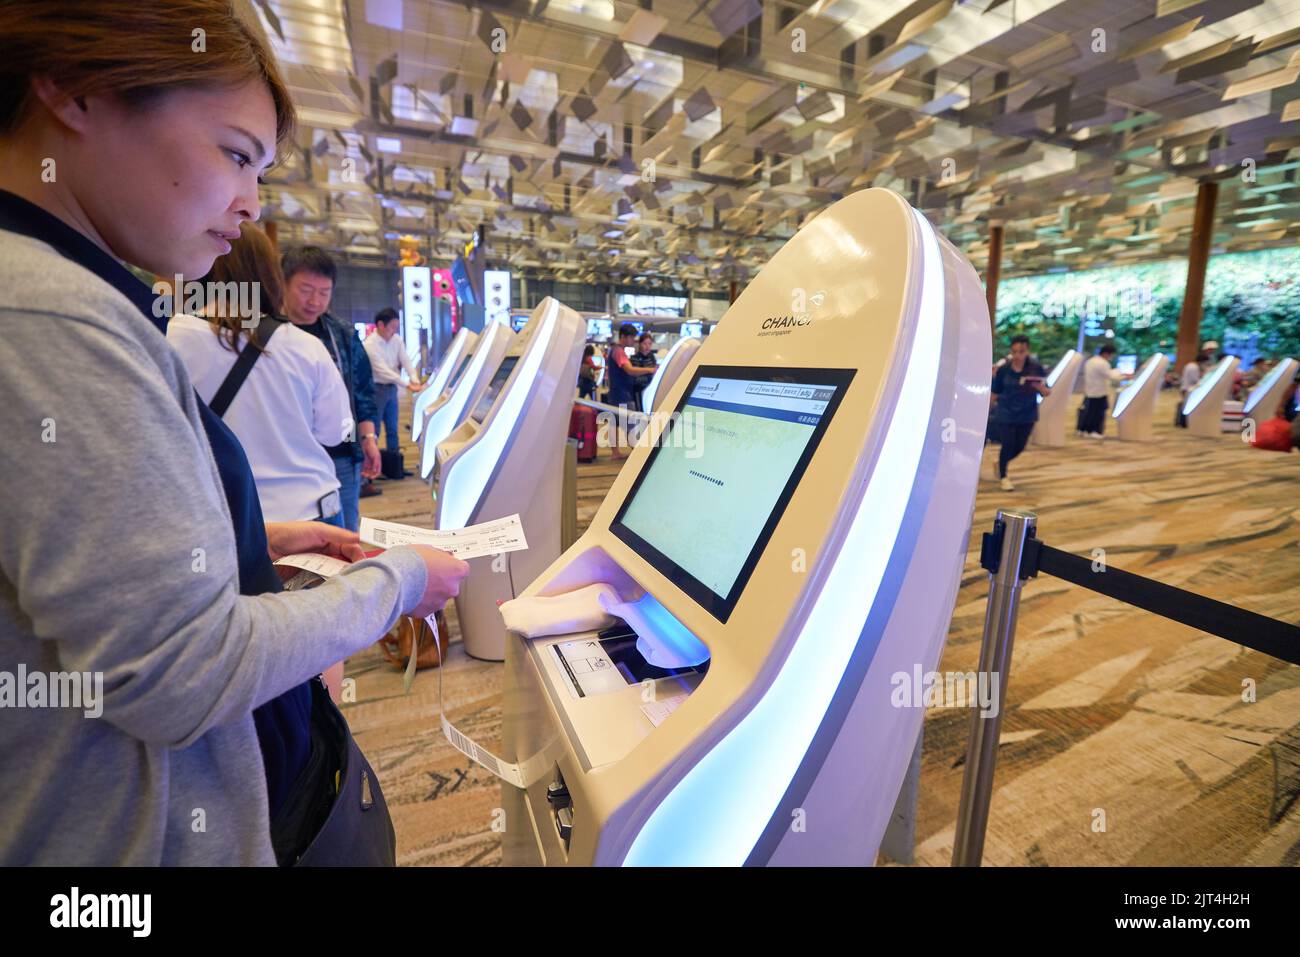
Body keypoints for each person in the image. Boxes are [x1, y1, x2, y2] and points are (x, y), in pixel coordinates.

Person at [0, 0, 469, 865]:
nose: (251, 204)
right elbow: (181, 672)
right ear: (74, 91)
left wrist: (254, 538)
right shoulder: (55, 315)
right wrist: (399, 584)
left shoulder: (78, 299)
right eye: (235, 153)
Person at [168, 222, 352, 526]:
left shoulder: (170, 339)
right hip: (311, 513)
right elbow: (334, 432)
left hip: (221, 518)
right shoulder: (306, 347)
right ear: (272, 275)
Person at [281, 245, 382, 525]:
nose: (315, 300)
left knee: (345, 531)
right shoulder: (266, 333)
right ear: (283, 283)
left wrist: (369, 440)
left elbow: (362, 392)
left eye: (324, 292)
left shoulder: (343, 334)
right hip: (287, 458)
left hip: (341, 454)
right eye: (305, 290)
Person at [989, 334, 1050, 491]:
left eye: (1021, 351)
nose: (1017, 355)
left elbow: (1046, 391)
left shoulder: (1036, 368)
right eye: (1014, 352)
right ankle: (1004, 476)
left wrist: (1040, 388)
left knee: (1020, 447)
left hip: (1027, 414)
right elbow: (995, 391)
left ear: (1027, 351)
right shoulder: (1004, 370)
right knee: (1008, 445)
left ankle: (1000, 463)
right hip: (1006, 412)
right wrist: (988, 408)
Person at [364, 306, 422, 458]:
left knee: (392, 428)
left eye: (397, 327)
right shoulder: (370, 345)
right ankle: (371, 467)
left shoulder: (396, 340)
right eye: (392, 327)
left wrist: (414, 379)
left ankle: (395, 465)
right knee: (373, 430)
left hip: (391, 389)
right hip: (375, 390)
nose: (395, 331)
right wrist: (407, 384)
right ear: (381, 325)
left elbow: (406, 360)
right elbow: (382, 371)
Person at [604, 323, 655, 459]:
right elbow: (630, 370)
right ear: (624, 337)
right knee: (631, 425)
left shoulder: (614, 350)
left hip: (615, 394)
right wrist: (650, 370)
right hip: (623, 395)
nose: (634, 341)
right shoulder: (619, 351)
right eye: (632, 338)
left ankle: (616, 453)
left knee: (614, 423)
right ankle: (639, 456)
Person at [1078, 343, 1124, 439]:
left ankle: (1083, 430)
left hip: (1089, 391)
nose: (1111, 357)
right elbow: (1111, 376)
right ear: (1107, 354)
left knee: (1088, 412)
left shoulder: (1090, 361)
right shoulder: (1103, 363)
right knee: (1098, 413)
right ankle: (1095, 431)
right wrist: (1123, 375)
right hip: (1100, 392)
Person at [1176, 351, 1207, 427]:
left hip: (1184, 387)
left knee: (1184, 405)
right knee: (1186, 406)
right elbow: (1195, 379)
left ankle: (1180, 422)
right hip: (1188, 388)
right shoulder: (1194, 367)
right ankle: (1184, 423)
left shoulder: (1189, 365)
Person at [630, 332, 659, 409]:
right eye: (645, 343)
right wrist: (649, 371)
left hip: (650, 391)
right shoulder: (633, 358)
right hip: (638, 391)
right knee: (640, 414)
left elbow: (654, 373)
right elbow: (635, 379)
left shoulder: (652, 357)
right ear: (639, 344)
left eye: (649, 344)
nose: (647, 346)